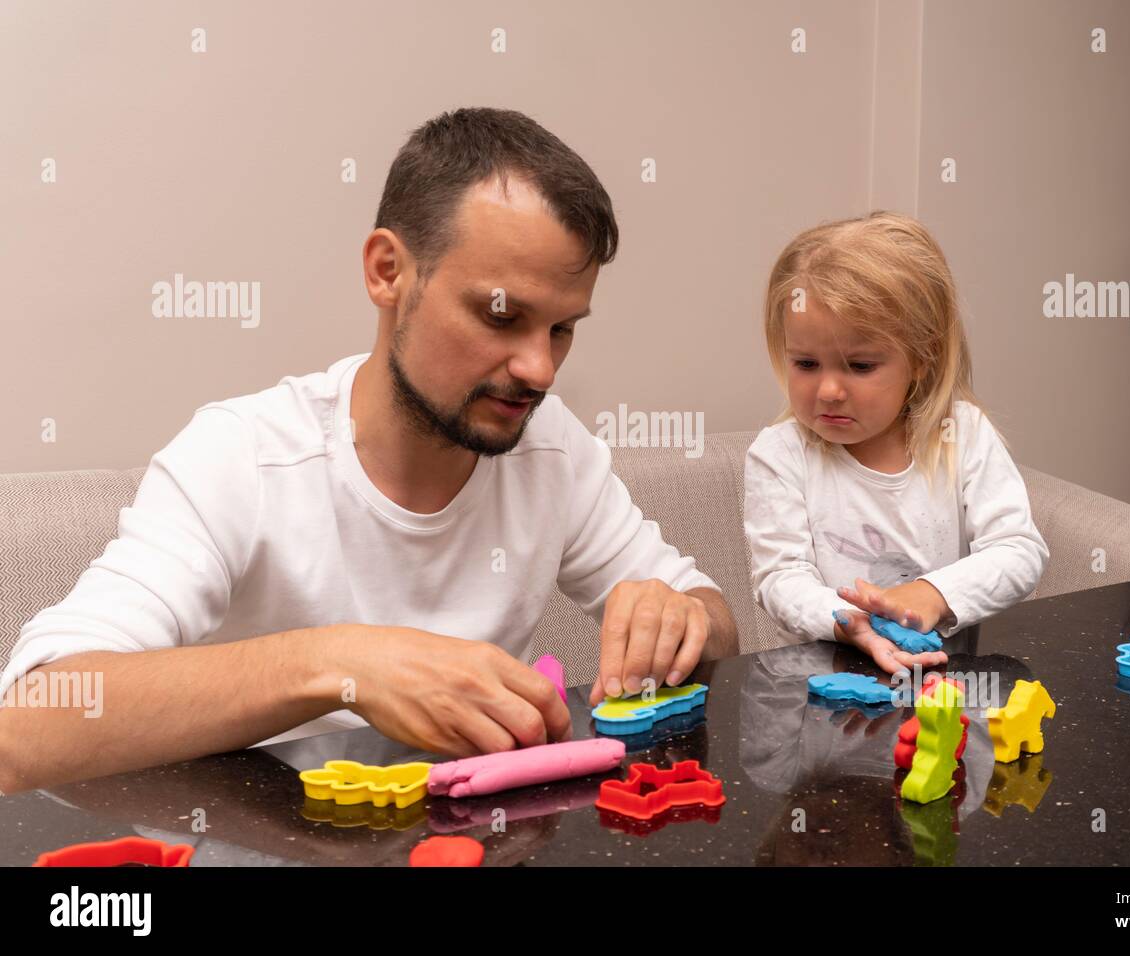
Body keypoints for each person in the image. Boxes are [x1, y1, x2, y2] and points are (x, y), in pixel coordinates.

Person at [0, 107, 738, 793]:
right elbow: (25, 731)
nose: (540, 370)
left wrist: (684, 619)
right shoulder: (243, 457)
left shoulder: (551, 449)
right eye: (501, 315)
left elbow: (718, 622)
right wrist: (338, 663)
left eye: (562, 329)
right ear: (389, 271)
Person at [744, 211, 1047, 676]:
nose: (828, 390)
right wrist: (849, 622)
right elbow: (781, 579)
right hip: (820, 692)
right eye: (806, 363)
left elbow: (1018, 550)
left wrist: (930, 594)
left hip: (942, 687)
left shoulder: (961, 435)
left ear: (922, 358)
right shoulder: (780, 455)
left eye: (860, 366)